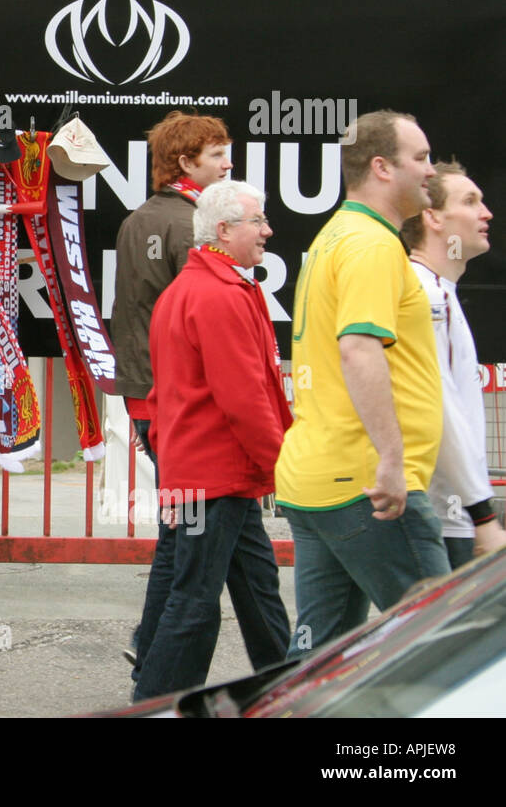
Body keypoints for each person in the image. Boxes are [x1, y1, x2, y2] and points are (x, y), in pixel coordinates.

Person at [277, 109, 449, 657]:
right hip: (367, 486)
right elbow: (357, 348)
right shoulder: (373, 245)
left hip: (320, 479)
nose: (432, 171)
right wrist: (392, 460)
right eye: (420, 158)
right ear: (381, 167)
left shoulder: (334, 236)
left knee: (319, 664)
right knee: (441, 652)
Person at [132, 181, 292, 700]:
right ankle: (154, 705)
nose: (268, 230)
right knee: (195, 601)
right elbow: (245, 398)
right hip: (215, 476)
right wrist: (284, 467)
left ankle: (286, 691)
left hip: (213, 475)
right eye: (258, 221)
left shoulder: (190, 289)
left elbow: (167, 391)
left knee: (257, 590)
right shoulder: (219, 295)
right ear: (224, 230)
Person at [113, 110, 231, 674]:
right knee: (188, 533)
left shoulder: (139, 217)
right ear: (185, 163)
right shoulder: (189, 225)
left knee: (180, 527)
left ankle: (149, 642)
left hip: (147, 391)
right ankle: (157, 653)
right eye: (217, 155)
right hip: (174, 397)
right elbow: (200, 319)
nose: (228, 164)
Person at [401, 160, 506, 568]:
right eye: (471, 201)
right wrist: (482, 516)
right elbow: (439, 408)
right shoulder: (426, 296)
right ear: (433, 217)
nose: (487, 213)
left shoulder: (438, 291)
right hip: (443, 516)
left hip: (445, 511)